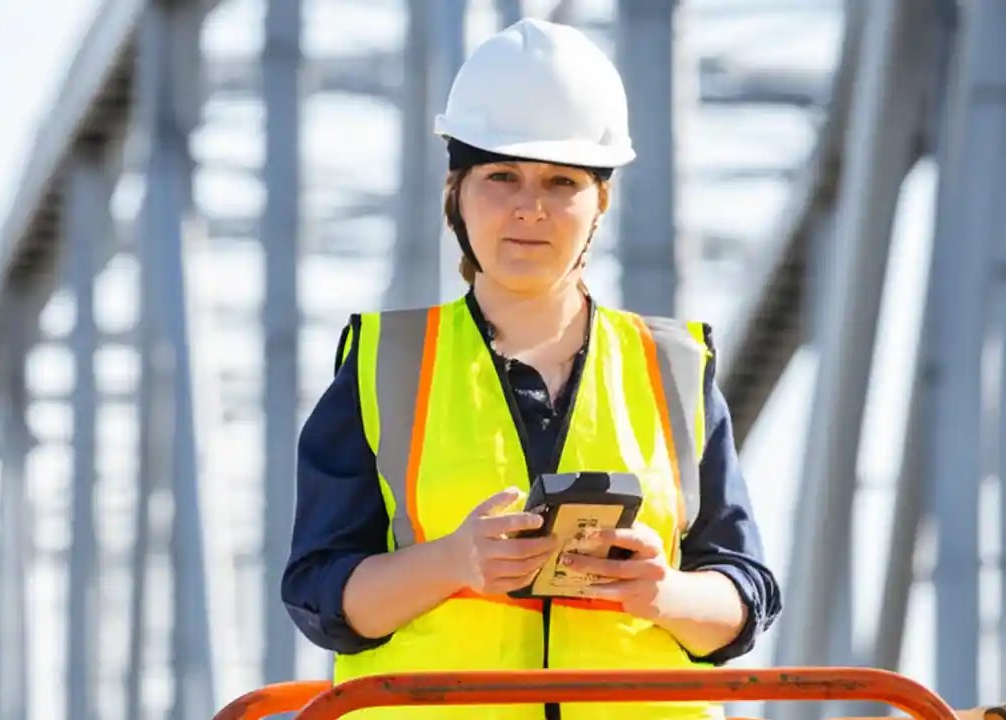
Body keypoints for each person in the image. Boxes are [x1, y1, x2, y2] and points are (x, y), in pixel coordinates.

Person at [282, 18, 781, 720]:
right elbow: (321, 595)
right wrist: (452, 562)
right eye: (501, 177)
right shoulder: (384, 365)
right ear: (456, 191)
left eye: (561, 181)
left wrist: (661, 591)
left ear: (600, 201)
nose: (529, 208)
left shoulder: (672, 368)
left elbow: (744, 596)